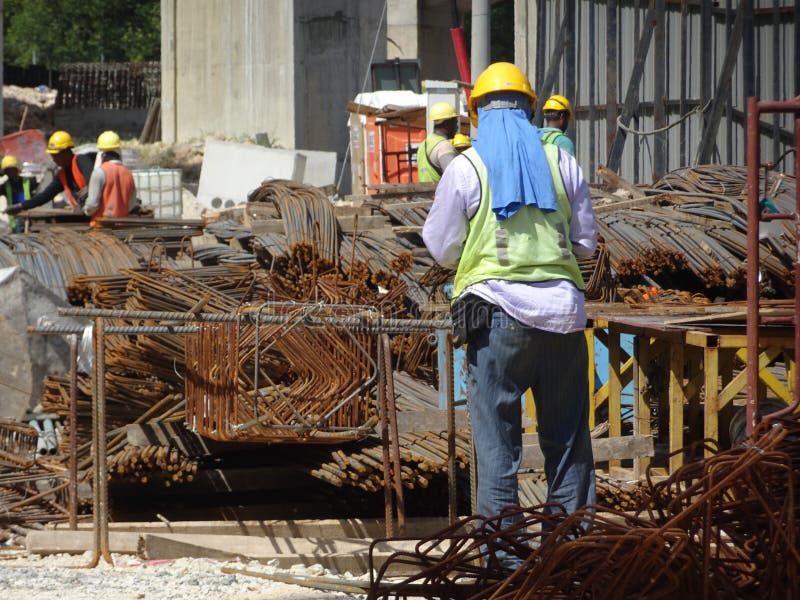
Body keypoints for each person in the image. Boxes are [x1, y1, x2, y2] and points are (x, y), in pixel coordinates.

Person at [422, 63, 597, 565]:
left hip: (494, 320)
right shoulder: (563, 164)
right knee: (568, 445)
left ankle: (504, 570)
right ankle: (569, 563)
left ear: (475, 112)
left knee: (498, 449)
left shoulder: (466, 167)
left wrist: (475, 260)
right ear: (531, 107)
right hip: (563, 319)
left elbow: (440, 246)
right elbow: (585, 246)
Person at [3, 130, 95, 216]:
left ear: (66, 151)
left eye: (55, 155)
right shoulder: (62, 175)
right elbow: (45, 195)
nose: (54, 159)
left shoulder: (81, 160)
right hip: (88, 216)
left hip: (98, 214)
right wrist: (21, 206)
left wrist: (87, 193)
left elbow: (93, 182)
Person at [83, 130, 136, 226]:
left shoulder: (99, 172)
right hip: (122, 228)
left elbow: (92, 204)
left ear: (101, 153)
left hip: (101, 228)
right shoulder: (128, 174)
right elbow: (131, 203)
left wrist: (86, 211)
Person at [416, 101, 459, 182]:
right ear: (447, 123)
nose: (457, 126)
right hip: (440, 193)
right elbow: (455, 179)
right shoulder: (444, 147)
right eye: (455, 122)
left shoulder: (424, 144)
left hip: (424, 193)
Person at [1, 155, 39, 232]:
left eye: (11, 170)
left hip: (30, 217)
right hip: (15, 220)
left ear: (16, 169)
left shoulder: (29, 181)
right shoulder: (5, 186)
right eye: (7, 170)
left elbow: (41, 196)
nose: (10, 173)